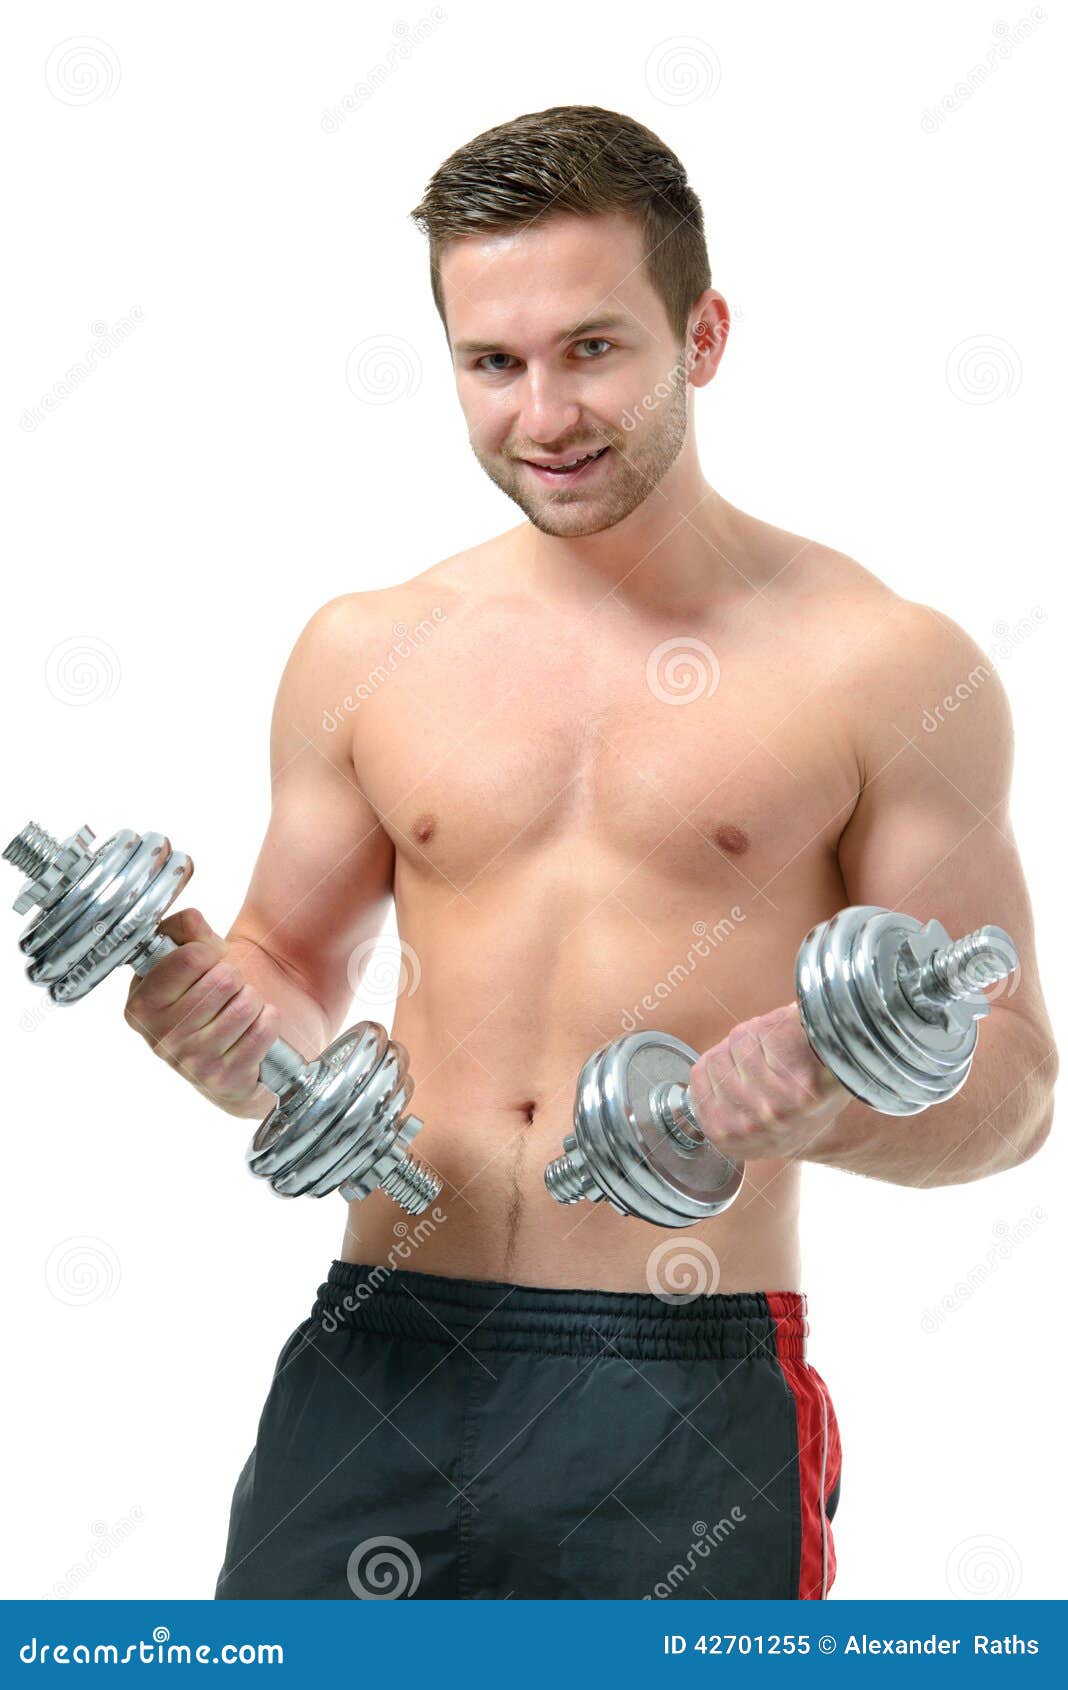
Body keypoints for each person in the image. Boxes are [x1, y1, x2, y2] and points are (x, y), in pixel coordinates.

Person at [124, 106, 1057, 1600]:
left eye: (594, 349)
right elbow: (283, 976)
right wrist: (222, 1025)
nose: (542, 413)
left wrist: (821, 1111)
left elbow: (1012, 1085)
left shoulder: (884, 666)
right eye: (492, 364)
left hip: (681, 1383)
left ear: (704, 333)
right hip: (378, 1349)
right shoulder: (368, 649)